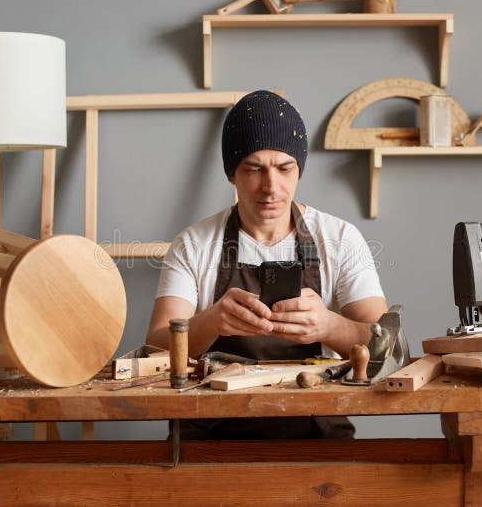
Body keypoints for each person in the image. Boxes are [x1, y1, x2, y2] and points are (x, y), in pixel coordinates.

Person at [146, 90, 387, 439]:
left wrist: (329, 327)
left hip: (312, 427)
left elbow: (384, 345)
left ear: (299, 170)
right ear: (232, 174)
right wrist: (212, 320)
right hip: (211, 432)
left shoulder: (339, 239)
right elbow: (155, 349)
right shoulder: (194, 244)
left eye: (284, 168)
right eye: (254, 169)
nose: (271, 186)